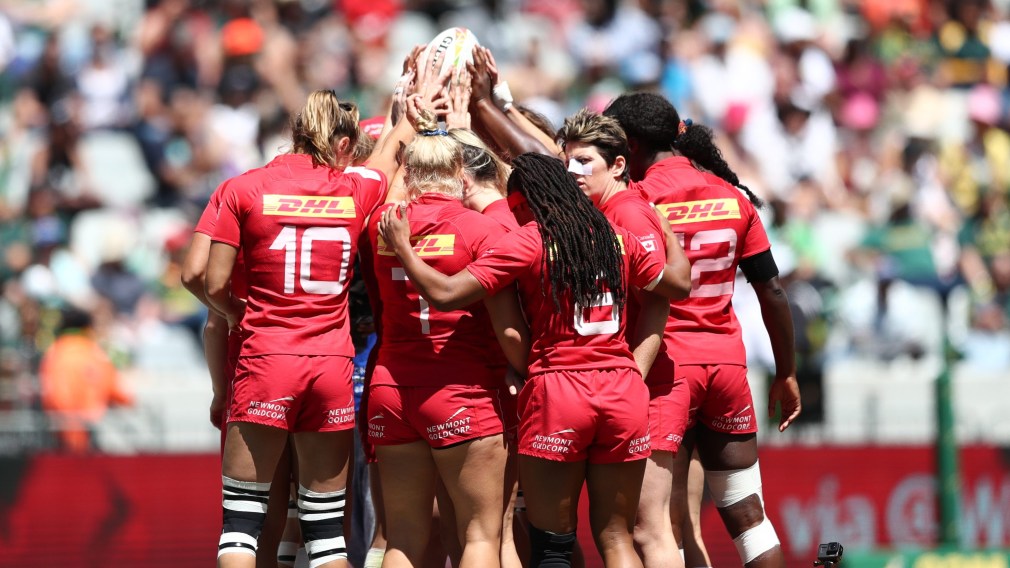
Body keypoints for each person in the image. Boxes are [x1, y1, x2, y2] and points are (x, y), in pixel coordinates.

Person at [378, 152, 690, 568]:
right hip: (623, 393)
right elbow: (676, 287)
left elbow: (449, 293)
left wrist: (404, 248)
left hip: (558, 391)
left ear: (526, 200)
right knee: (617, 537)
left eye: (517, 207)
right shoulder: (619, 237)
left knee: (552, 544)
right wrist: (637, 364)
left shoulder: (529, 240)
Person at [203, 88, 421, 568]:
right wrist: (404, 109)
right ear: (342, 142)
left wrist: (236, 312)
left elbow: (211, 281)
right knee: (326, 536)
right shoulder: (353, 190)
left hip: (266, 358)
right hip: (331, 367)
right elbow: (389, 152)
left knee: (242, 525)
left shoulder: (245, 187)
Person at [604, 92, 801, 568]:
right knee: (750, 519)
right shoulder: (733, 196)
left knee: (651, 527)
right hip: (729, 368)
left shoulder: (635, 202)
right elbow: (771, 292)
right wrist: (787, 373)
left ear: (629, 145)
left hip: (664, 371)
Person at [365, 107, 528, 568]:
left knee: (402, 539)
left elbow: (387, 193)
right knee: (481, 537)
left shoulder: (381, 228)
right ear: (460, 172)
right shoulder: (482, 229)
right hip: (463, 389)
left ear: (410, 171)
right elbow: (508, 327)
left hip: (392, 389)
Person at [556, 109, 691, 568]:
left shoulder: (627, 212)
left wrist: (635, 370)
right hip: (623, 386)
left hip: (640, 386)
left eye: (584, 161)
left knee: (647, 529)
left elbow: (664, 295)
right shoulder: (603, 208)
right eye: (567, 161)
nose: (573, 172)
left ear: (617, 166)